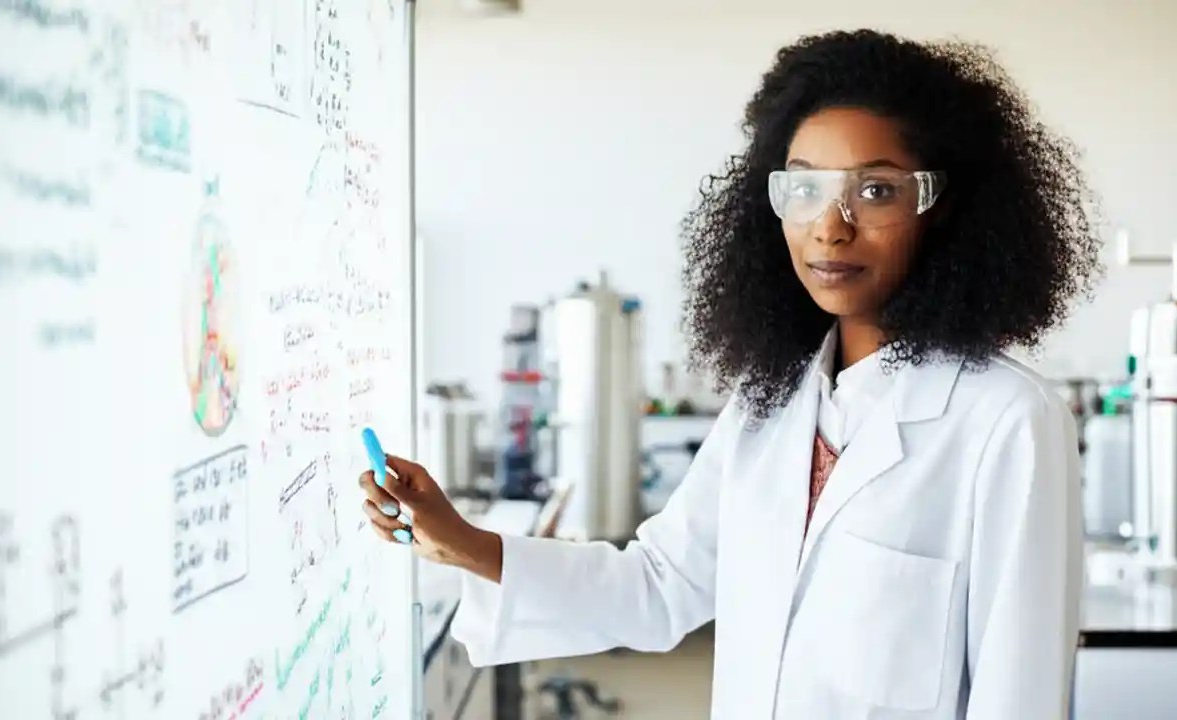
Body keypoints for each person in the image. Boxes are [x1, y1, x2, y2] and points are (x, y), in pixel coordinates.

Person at [360, 29, 1100, 719]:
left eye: (875, 190)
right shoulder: (769, 403)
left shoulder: (1006, 420)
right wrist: (462, 540)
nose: (830, 225)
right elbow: (659, 585)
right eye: (805, 187)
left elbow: (1019, 694)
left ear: (941, 210)